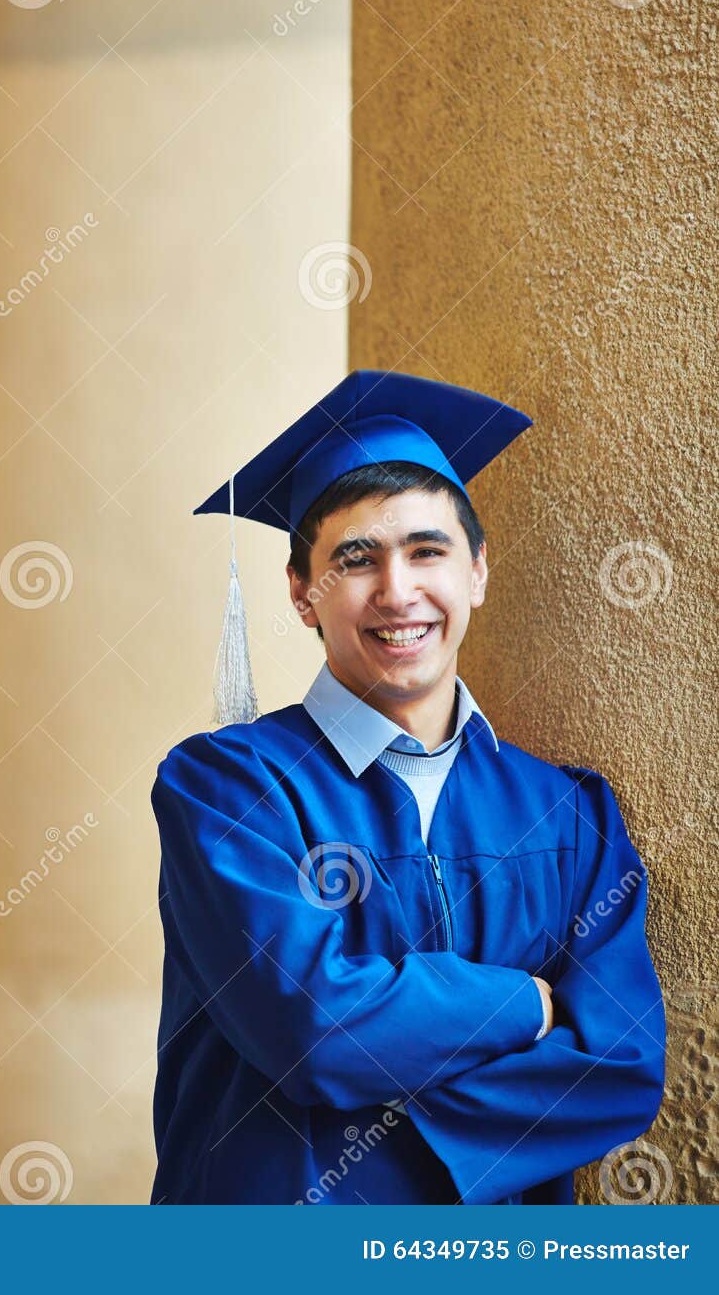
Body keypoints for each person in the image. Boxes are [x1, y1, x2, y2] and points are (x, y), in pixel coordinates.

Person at [149, 370, 665, 1205]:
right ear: (302, 593)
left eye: (427, 552)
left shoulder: (567, 814)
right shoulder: (228, 789)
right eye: (356, 559)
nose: (397, 592)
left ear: (477, 572)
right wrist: (530, 1006)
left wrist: (378, 1092)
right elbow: (312, 1028)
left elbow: (620, 1065)